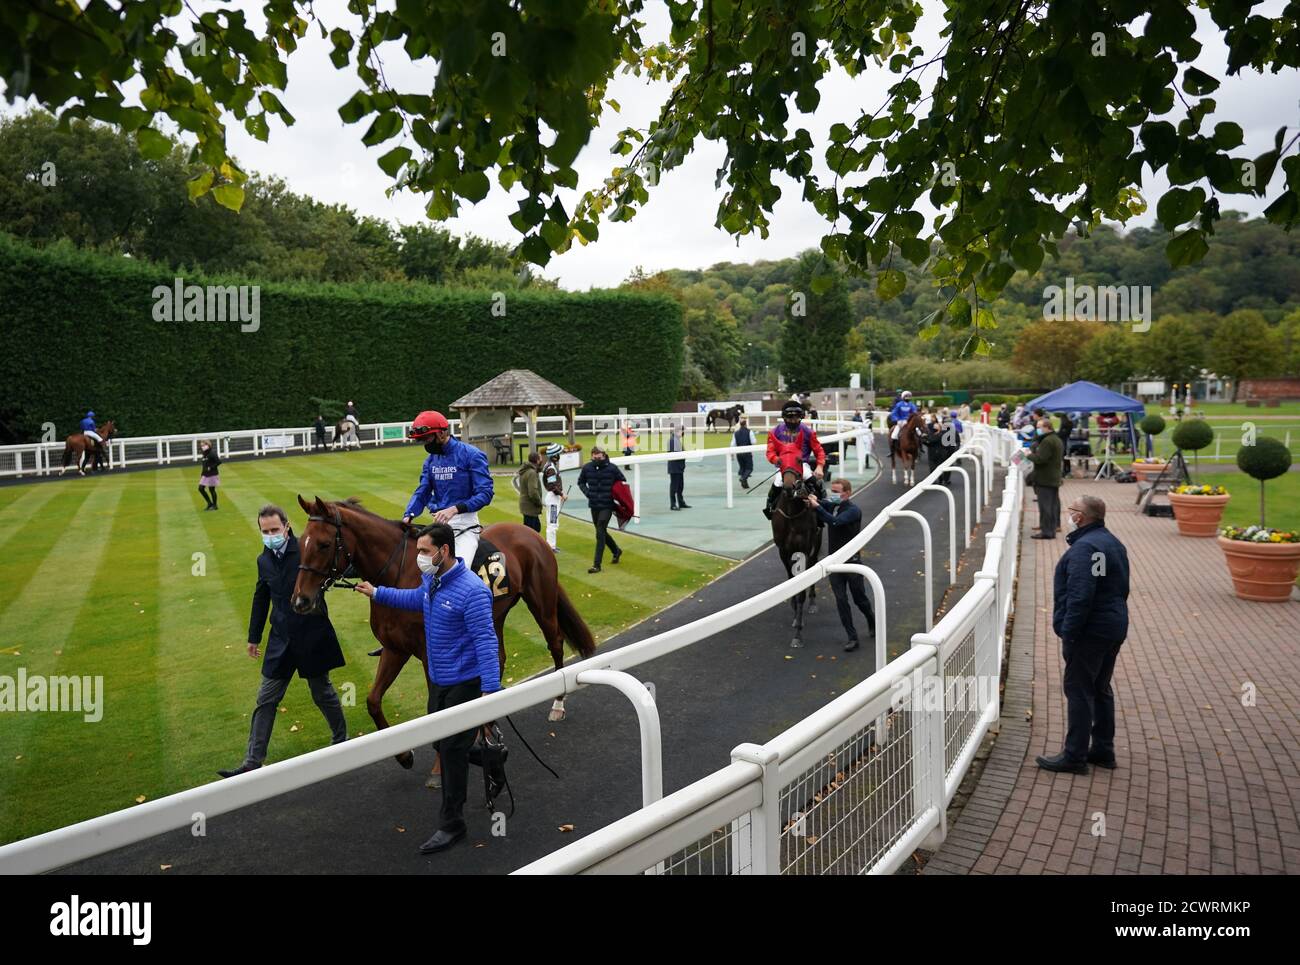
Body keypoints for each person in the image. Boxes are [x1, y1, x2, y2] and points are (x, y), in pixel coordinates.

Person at [354, 522, 501, 852]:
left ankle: (452, 824)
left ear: (444, 551)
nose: (418, 557)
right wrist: (377, 592)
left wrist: (490, 692)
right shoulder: (431, 581)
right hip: (440, 680)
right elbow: (415, 599)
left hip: (467, 682)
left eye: (424, 551)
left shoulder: (472, 591)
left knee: (449, 751)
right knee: (441, 740)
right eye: (418, 550)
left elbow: (486, 641)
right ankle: (491, 759)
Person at [218, 505, 348, 778]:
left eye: (275, 530)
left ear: (287, 527)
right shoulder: (263, 560)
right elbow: (260, 596)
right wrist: (254, 637)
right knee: (266, 698)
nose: (270, 535)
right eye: (265, 531)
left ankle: (341, 741)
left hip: (311, 633)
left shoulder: (305, 550)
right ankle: (252, 761)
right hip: (280, 639)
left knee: (321, 692)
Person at [1036, 495, 1130, 774]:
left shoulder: (1085, 548)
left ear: (1080, 517)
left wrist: (1069, 633)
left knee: (1079, 690)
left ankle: (1074, 756)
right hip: (1113, 626)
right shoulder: (1110, 541)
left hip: (1091, 630)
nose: (1068, 514)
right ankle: (1103, 750)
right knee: (1099, 687)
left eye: (1071, 510)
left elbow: (1080, 596)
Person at [402, 410, 494, 569]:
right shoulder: (430, 461)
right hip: (439, 527)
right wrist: (408, 515)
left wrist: (454, 509)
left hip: (466, 526)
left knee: (457, 571)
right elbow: (423, 491)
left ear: (441, 433)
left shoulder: (472, 455)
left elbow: (485, 493)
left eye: (426, 438)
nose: (425, 443)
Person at [808, 478, 876, 652]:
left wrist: (817, 507)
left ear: (847, 493)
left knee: (859, 599)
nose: (833, 494)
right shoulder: (833, 505)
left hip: (852, 563)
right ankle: (852, 637)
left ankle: (871, 619)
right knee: (841, 600)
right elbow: (822, 503)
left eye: (837, 492)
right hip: (835, 564)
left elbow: (834, 521)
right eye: (832, 491)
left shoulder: (854, 511)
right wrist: (809, 498)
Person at [764, 401, 827, 519]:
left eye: (796, 417)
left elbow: (819, 451)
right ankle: (770, 508)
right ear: (784, 417)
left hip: (801, 465)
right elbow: (770, 452)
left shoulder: (808, 431)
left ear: (801, 416)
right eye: (790, 417)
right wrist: (775, 459)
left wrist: (820, 466)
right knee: (777, 484)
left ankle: (823, 508)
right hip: (783, 466)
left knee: (817, 483)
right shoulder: (775, 432)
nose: (793, 420)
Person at [577, 445, 626, 573]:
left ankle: (596, 565)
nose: (596, 457)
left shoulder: (612, 468)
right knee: (602, 531)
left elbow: (622, 482)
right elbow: (580, 482)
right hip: (594, 505)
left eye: (598, 454)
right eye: (594, 455)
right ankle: (616, 550)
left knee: (599, 532)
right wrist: (588, 493)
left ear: (603, 454)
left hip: (607, 505)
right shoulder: (587, 468)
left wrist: (615, 494)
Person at [1026, 419, 1063, 538]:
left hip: (1045, 478)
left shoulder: (1047, 441)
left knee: (1045, 507)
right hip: (1053, 477)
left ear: (1047, 427)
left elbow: (1041, 459)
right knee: (1051, 506)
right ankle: (1049, 529)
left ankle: (1047, 531)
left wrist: (1028, 455)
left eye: (1039, 427)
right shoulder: (1056, 439)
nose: (1038, 429)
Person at [541, 442, 566, 551]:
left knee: (552, 522)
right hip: (553, 498)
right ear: (555, 456)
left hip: (552, 497)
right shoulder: (551, 468)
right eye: (558, 454)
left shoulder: (550, 465)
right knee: (552, 523)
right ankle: (551, 546)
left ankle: (552, 545)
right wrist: (561, 494)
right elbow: (552, 486)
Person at [516, 451, 544, 533]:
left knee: (533, 530)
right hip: (530, 507)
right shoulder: (532, 473)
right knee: (533, 532)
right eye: (540, 458)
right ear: (537, 460)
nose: (542, 460)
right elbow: (533, 492)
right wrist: (539, 503)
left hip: (526, 506)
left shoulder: (526, 471)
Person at [667, 422, 690, 510]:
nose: (683, 433)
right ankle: (673, 504)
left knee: (680, 486)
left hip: (679, 467)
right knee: (674, 486)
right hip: (675, 467)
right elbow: (675, 454)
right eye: (682, 431)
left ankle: (681, 502)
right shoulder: (673, 440)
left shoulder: (676, 439)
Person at [198, 439, 221, 511]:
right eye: (202, 445)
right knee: (201, 488)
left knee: (211, 490)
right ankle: (209, 503)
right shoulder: (204, 453)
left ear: (208, 445)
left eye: (204, 445)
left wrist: (211, 467)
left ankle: (215, 505)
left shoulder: (212, 453)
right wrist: (202, 474)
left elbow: (219, 462)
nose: (203, 447)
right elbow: (204, 465)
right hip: (205, 474)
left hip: (212, 474)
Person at [734, 417, 755, 489]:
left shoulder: (736, 433)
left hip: (739, 453)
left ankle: (745, 484)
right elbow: (753, 442)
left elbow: (732, 444)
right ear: (746, 424)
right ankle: (743, 478)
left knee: (743, 468)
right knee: (749, 468)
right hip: (747, 453)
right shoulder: (750, 432)